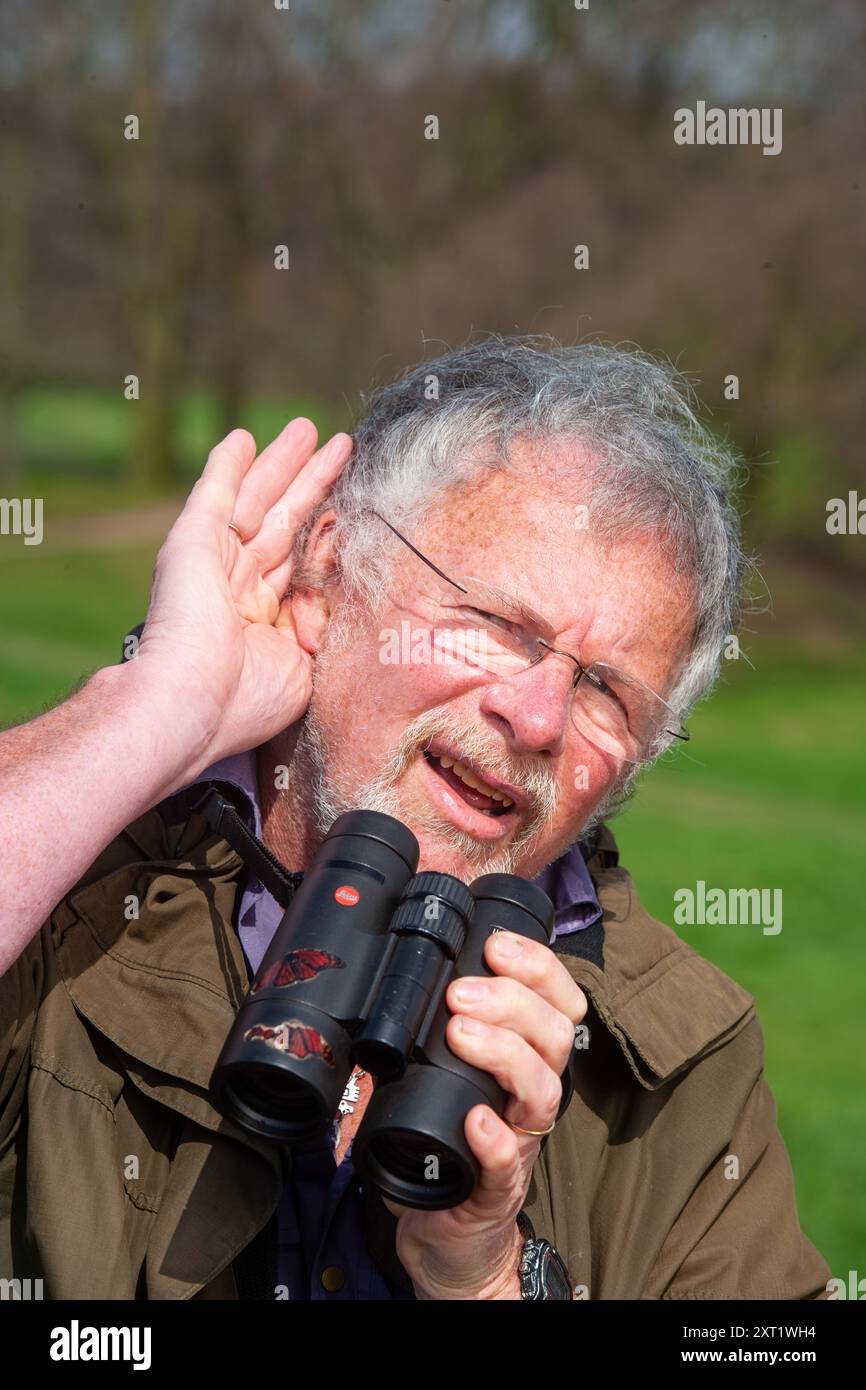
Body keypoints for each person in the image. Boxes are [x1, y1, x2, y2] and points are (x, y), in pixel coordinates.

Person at [0, 336, 831, 1300]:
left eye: (607, 690)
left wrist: (486, 1279)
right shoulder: (79, 896)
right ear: (326, 575)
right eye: (496, 626)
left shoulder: (684, 1067)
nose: (538, 715)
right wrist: (156, 703)